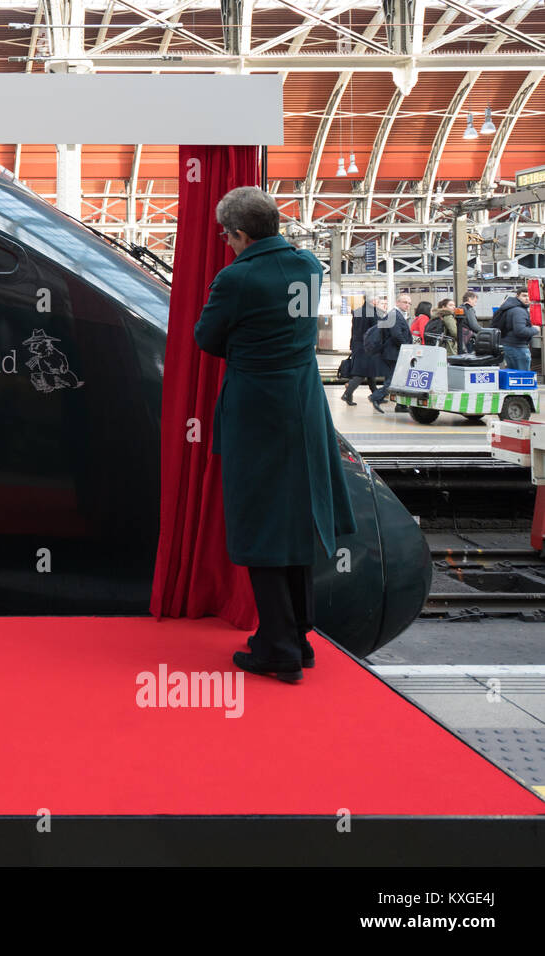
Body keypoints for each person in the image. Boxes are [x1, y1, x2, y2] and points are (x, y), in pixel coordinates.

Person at [194, 187, 357, 682]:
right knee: (296, 519)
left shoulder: (237, 278)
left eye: (227, 235)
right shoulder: (309, 265)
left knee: (262, 521)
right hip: (303, 402)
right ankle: (299, 635)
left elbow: (206, 337)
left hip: (259, 408)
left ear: (242, 233)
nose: (225, 243)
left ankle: (277, 646)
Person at [370, 293, 413, 413]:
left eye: (409, 303)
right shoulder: (394, 315)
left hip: (395, 352)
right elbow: (396, 334)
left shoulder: (398, 315)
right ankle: (376, 397)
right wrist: (407, 347)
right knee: (394, 380)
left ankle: (401, 405)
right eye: (405, 302)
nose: (407, 305)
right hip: (394, 353)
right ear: (397, 303)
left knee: (399, 379)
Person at [341, 294, 386, 405]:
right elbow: (376, 331)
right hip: (368, 346)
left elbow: (353, 329)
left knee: (369, 371)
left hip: (357, 345)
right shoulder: (374, 313)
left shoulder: (357, 311)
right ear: (374, 300)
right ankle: (347, 394)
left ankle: (375, 395)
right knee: (361, 373)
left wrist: (352, 345)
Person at [496, 288, 535, 372]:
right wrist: (535, 329)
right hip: (518, 348)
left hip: (508, 346)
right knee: (523, 378)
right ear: (517, 296)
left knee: (514, 378)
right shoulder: (518, 310)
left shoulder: (509, 307)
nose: (527, 298)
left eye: (529, 296)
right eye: (524, 296)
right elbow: (521, 331)